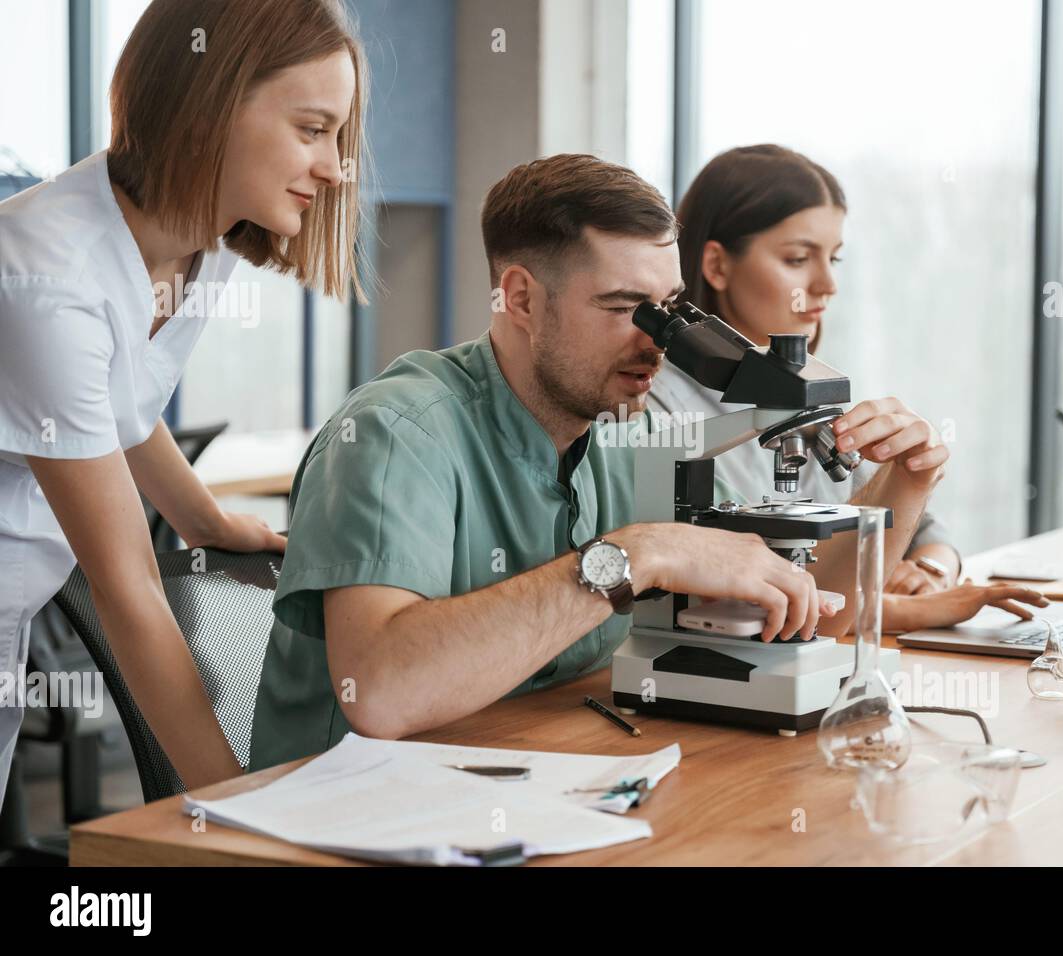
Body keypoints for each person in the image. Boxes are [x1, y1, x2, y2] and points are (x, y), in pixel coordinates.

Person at [248, 153, 977, 769]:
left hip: (533, 774)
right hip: (349, 819)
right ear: (522, 298)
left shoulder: (623, 433)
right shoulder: (396, 434)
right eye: (625, 306)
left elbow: (812, 612)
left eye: (669, 307)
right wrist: (638, 551)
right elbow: (378, 691)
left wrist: (906, 482)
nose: (656, 340)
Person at [0, 0, 370, 801]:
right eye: (312, 130)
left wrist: (204, 520)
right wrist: (239, 812)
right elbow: (127, 584)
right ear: (208, 106)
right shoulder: (47, 279)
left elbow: (121, 406)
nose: (337, 167)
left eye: (338, 136)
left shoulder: (205, 247)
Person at [652, 144, 1047, 632]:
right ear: (716, 265)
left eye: (834, 259)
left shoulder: (806, 391)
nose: (827, 285)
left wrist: (929, 570)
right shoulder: (660, 409)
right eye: (798, 258)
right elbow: (759, 592)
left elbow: (924, 528)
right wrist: (913, 608)